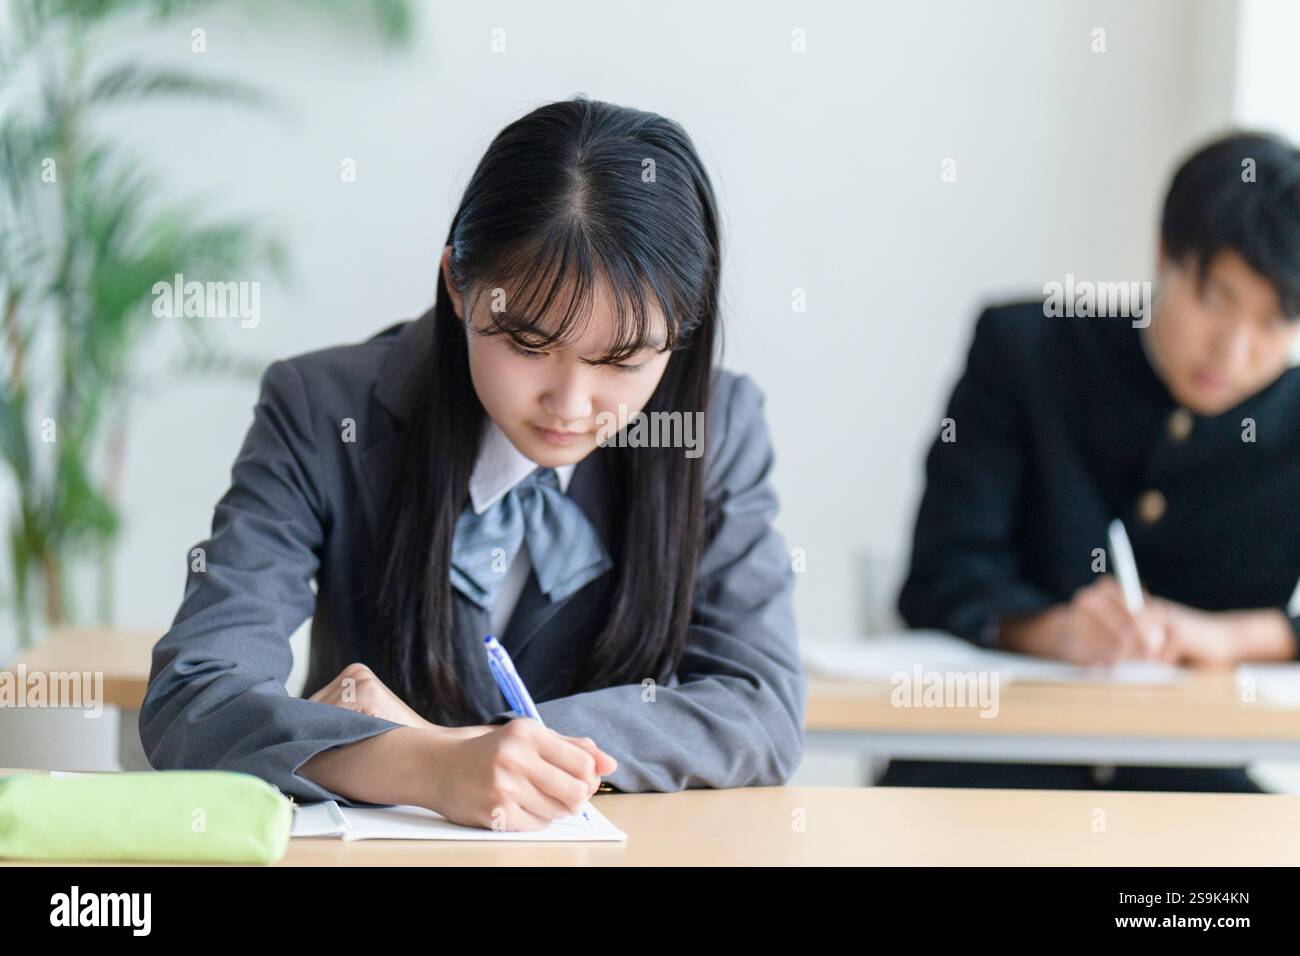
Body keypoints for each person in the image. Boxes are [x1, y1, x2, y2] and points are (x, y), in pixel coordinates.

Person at [140, 98, 805, 830]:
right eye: (528, 344)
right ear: (458, 285)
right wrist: (425, 765)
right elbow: (195, 695)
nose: (570, 405)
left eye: (622, 361)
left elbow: (759, 705)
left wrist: (486, 747)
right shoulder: (321, 410)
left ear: (683, 329)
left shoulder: (715, 429)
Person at [886, 132, 1300, 792]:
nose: (1231, 351)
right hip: (987, 763)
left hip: (1185, 780)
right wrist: (1053, 632)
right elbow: (941, 578)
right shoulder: (1027, 352)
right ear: (1163, 254)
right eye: (1215, 299)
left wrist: (1234, 637)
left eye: (1272, 324)